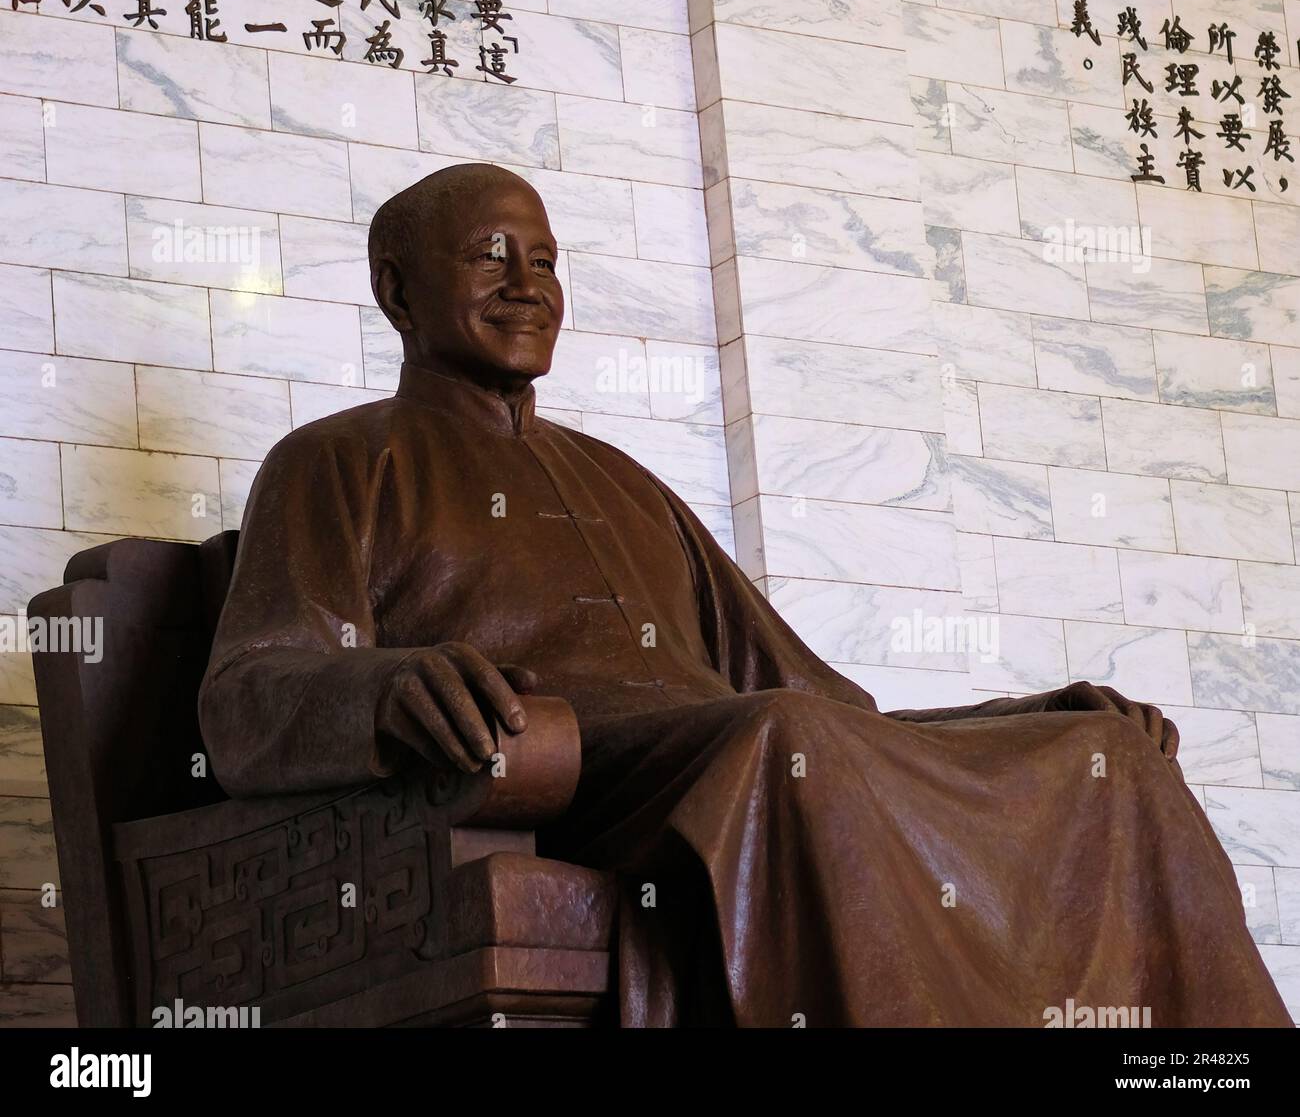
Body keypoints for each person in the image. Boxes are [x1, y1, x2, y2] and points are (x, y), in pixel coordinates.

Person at [199, 162, 1290, 1027]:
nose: (526, 285)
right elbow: (247, 696)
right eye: (489, 257)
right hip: (578, 775)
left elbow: (831, 712)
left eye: (544, 259)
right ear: (396, 286)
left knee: (1111, 764)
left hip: (744, 751)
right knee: (781, 742)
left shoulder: (626, 484)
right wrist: (388, 691)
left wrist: (1015, 720)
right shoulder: (338, 461)